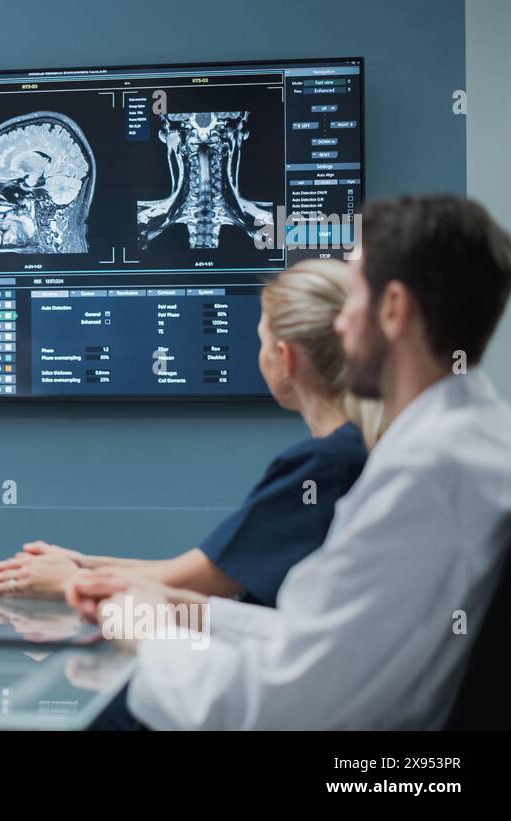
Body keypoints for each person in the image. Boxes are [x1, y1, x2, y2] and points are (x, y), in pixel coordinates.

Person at [67, 196, 511, 729]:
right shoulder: (470, 441)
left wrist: (139, 627)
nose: (340, 325)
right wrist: (191, 612)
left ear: (393, 309)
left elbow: (271, 707)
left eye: (354, 294)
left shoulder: (427, 474)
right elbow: (330, 640)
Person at [0, 259, 380, 606]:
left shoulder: (322, 464)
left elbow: (194, 584)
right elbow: (197, 569)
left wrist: (68, 581)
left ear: (284, 357)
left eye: (260, 341)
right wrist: (80, 563)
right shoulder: (363, 447)